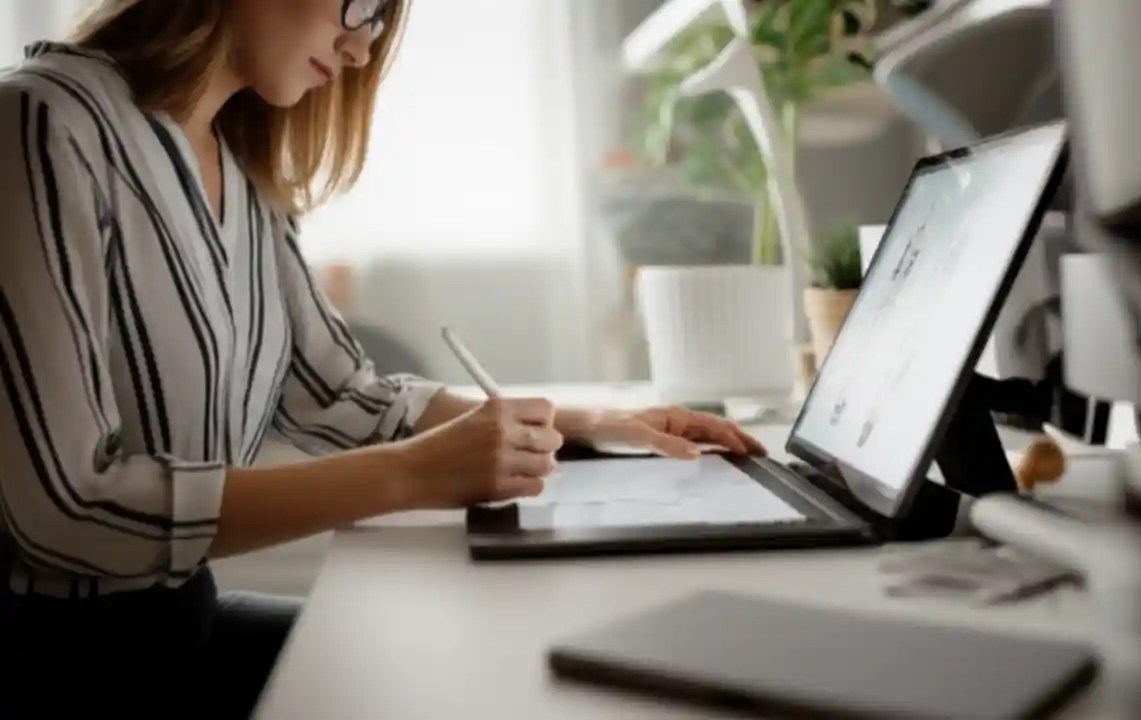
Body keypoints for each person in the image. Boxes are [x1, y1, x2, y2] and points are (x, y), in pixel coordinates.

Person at [0, 1, 766, 716]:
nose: (363, 47)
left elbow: (344, 396)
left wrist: (593, 423)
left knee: (500, 675)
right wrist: (414, 476)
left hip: (177, 633)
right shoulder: (42, 121)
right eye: (362, 4)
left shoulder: (240, 173)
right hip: (58, 668)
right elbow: (64, 510)